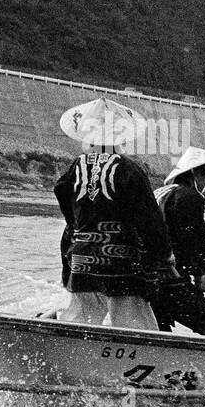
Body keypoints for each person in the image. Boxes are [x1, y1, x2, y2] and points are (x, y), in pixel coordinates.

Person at [52, 98, 176, 329]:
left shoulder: (75, 167)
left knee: (81, 318)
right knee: (133, 322)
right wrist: (164, 254)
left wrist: (78, 236)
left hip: (82, 259)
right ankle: (145, 358)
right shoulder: (129, 169)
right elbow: (149, 219)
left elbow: (68, 211)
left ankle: (67, 352)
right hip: (120, 262)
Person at [150, 146, 205, 338]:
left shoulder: (163, 192)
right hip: (170, 281)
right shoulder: (190, 196)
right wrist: (199, 273)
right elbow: (189, 239)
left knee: (160, 333)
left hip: (149, 279)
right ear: (197, 173)